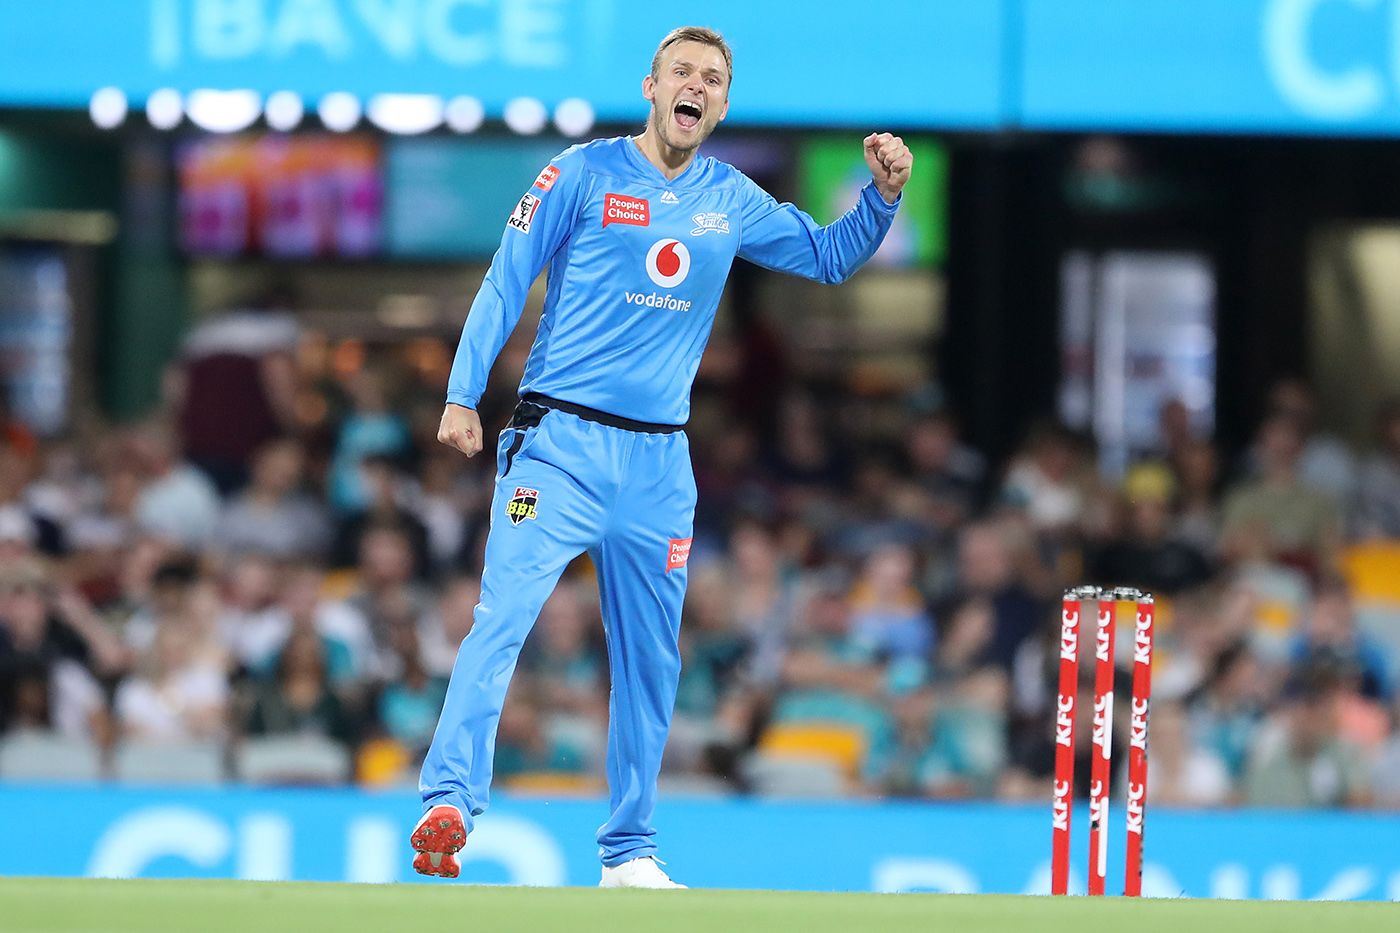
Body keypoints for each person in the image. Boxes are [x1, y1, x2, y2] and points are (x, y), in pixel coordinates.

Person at [412, 25, 911, 888]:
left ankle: (629, 851)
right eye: (682, 71)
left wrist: (883, 197)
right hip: (557, 446)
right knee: (505, 616)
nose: (696, 87)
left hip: (657, 466)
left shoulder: (733, 199)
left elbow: (829, 258)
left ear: (721, 103)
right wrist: (462, 395)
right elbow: (508, 275)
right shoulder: (581, 173)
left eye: (713, 79)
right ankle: (449, 801)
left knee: (652, 658)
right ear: (651, 87)